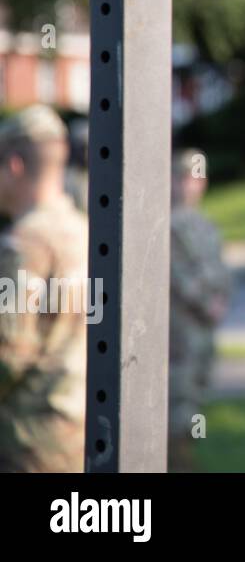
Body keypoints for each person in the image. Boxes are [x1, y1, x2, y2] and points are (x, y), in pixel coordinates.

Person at [0, 106, 88, 472]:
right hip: (81, 429)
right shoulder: (85, 231)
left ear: (15, 165)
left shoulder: (25, 243)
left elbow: (8, 353)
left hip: (30, 441)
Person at [168, 148, 233, 472]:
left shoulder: (206, 225)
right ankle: (175, 462)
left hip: (204, 329)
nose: (189, 185)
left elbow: (221, 270)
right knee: (177, 397)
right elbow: (175, 275)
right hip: (180, 328)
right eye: (181, 178)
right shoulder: (166, 225)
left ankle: (185, 455)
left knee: (198, 395)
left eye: (195, 178)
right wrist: (208, 304)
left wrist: (221, 300)